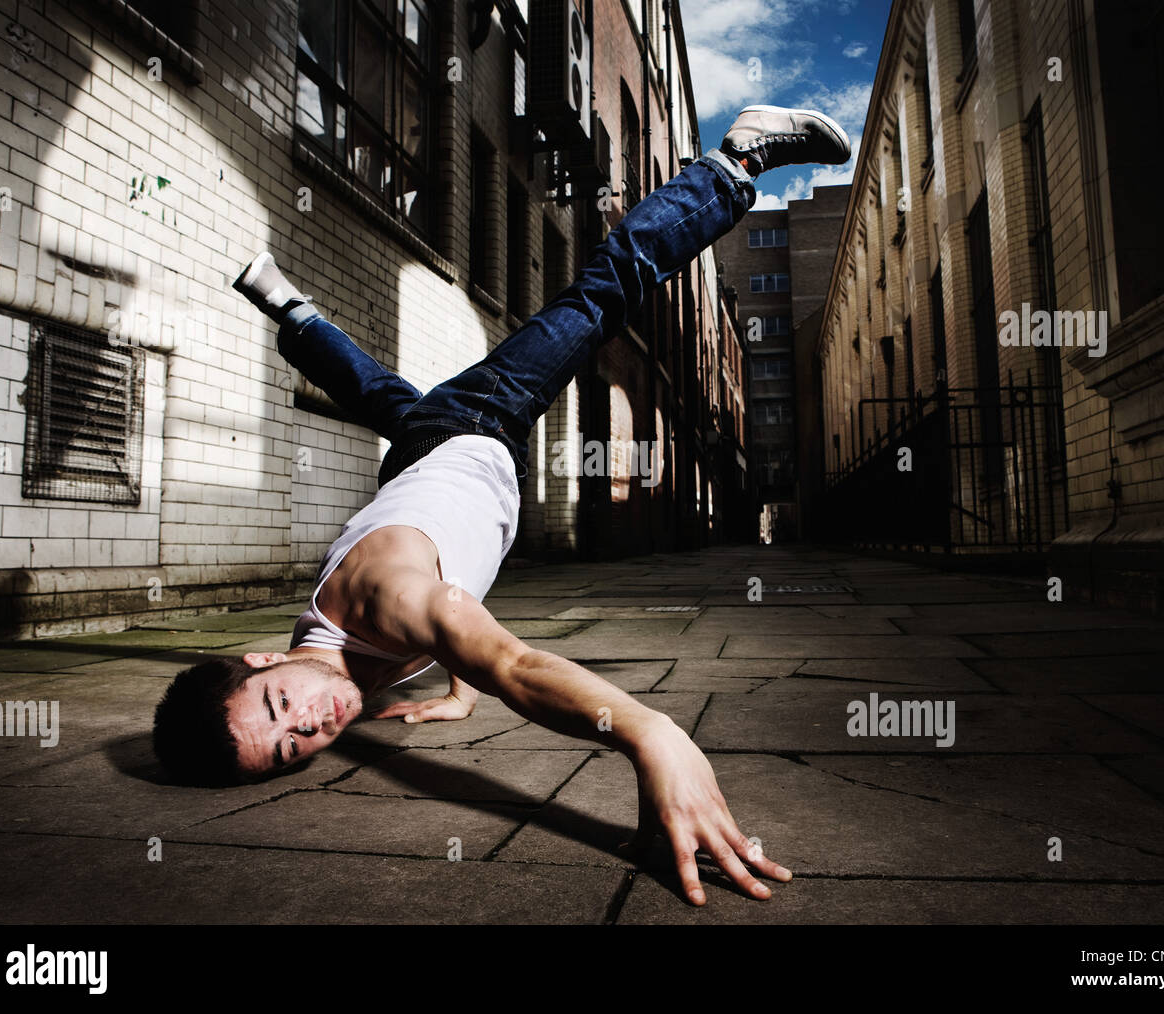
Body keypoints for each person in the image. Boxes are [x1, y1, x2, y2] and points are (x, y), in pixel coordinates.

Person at [154, 106, 850, 905]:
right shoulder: (329, 665)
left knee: (601, 295)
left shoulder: (388, 601)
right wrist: (458, 688)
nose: (307, 727)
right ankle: (293, 311)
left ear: (264, 659)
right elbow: (448, 638)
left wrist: (651, 734)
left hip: (476, 425)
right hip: (424, 455)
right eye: (288, 751)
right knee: (387, 400)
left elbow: (508, 659)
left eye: (280, 706)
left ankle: (732, 162)